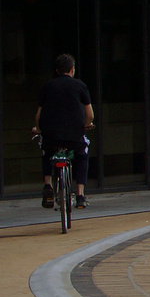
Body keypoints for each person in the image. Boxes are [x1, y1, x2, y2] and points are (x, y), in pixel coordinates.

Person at [33, 53, 93, 208]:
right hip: (75, 135)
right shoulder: (80, 86)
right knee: (82, 153)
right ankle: (80, 194)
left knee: (46, 150)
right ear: (72, 70)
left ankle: (48, 185)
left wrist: (38, 129)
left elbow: (38, 115)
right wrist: (87, 124)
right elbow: (90, 114)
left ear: (57, 71)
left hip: (51, 135)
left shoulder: (47, 87)